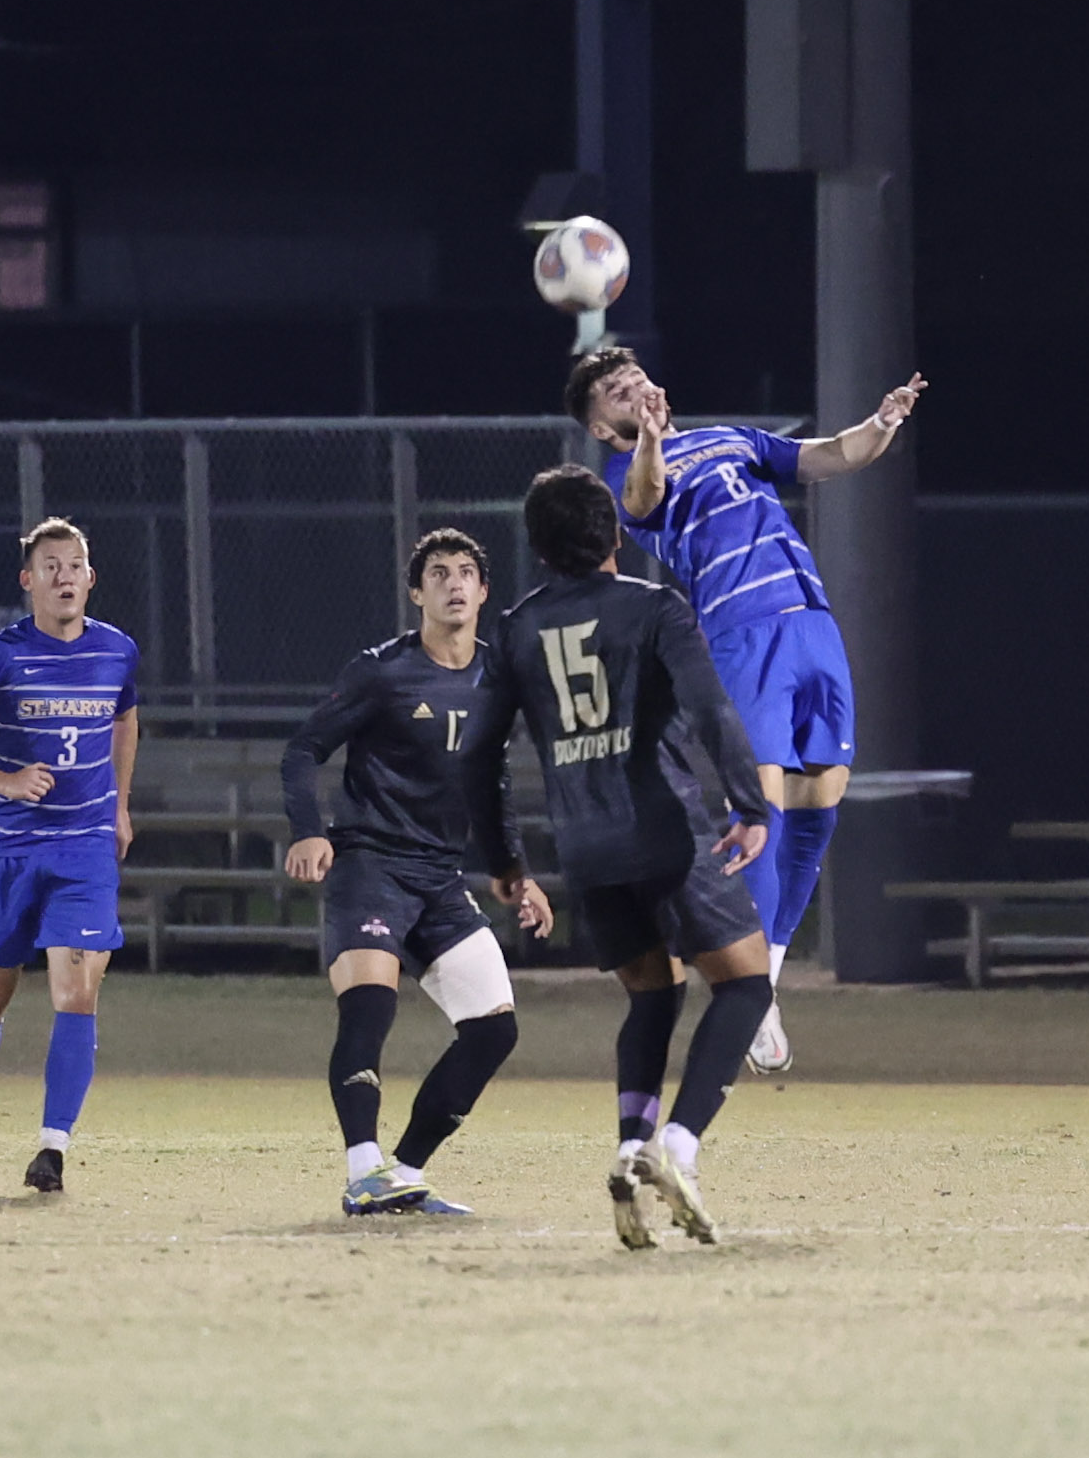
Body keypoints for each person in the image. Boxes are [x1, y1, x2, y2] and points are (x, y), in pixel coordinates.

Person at [566, 349, 927, 1073]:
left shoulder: (733, 437)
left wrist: (881, 424)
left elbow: (825, 457)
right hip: (742, 633)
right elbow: (642, 502)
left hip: (812, 622)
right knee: (762, 806)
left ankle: (769, 975)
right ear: (605, 428)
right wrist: (649, 439)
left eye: (630, 376)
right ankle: (747, 981)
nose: (628, 387)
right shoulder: (625, 474)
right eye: (612, 392)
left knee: (821, 798)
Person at [469, 464, 773, 1249]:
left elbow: (479, 756)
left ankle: (632, 1143)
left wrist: (503, 857)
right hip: (664, 832)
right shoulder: (653, 608)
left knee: (653, 997)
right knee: (744, 984)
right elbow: (710, 705)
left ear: (537, 545)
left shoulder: (516, 627)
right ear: (614, 534)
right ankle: (678, 1146)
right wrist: (749, 801)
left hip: (586, 847)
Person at [281, 528, 553, 1218]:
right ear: (416, 592)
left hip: (438, 878)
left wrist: (514, 870)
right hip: (370, 863)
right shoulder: (382, 670)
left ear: (484, 591)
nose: (454, 583)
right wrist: (310, 831)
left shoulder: (500, 678)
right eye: (439, 573)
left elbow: (491, 783)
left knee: (494, 1029)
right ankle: (363, 1166)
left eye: (467, 572)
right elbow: (303, 748)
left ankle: (402, 1172)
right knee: (371, 1003)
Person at [0, 517, 139, 1195]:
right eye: (49, 566)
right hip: (10, 848)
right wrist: (6, 780)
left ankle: (52, 1150)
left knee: (76, 989)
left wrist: (120, 802)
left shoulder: (117, 652)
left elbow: (124, 718)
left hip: (82, 849)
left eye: (74, 564)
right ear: (29, 581)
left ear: (90, 576)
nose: (64, 576)